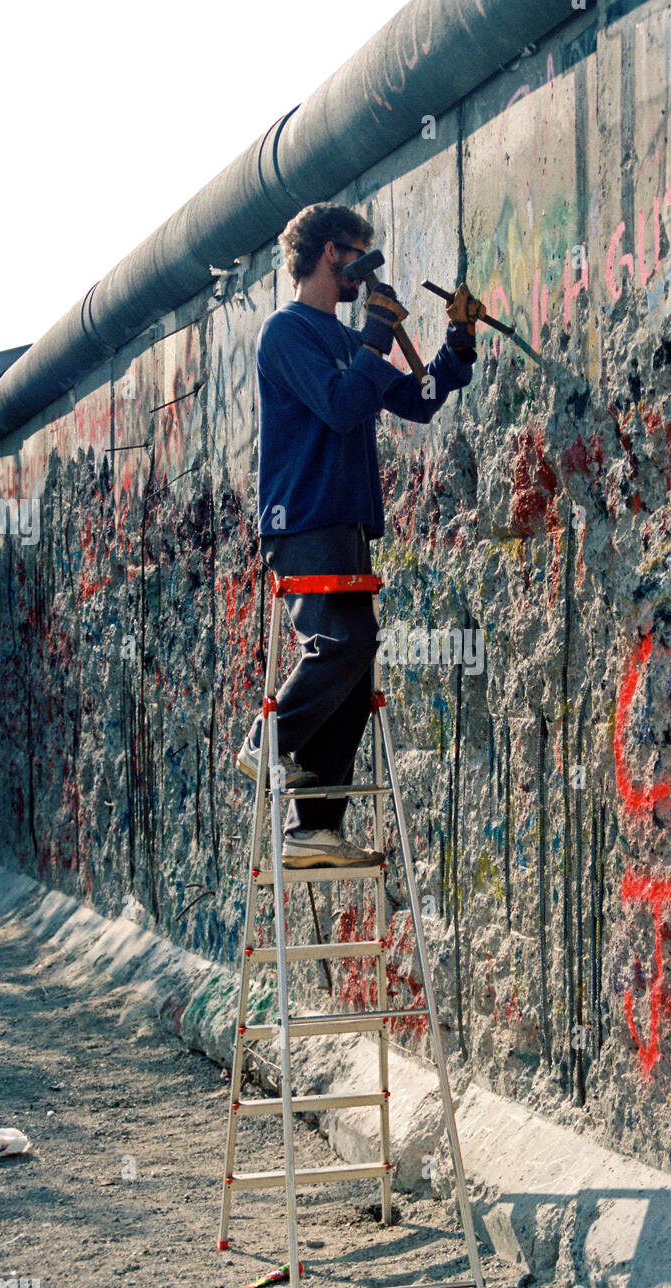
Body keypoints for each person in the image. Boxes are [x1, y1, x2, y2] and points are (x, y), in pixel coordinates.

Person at [236, 202, 484, 869]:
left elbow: (418, 402)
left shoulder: (348, 341)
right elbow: (345, 408)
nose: (363, 272)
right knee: (342, 641)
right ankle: (269, 738)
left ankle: (314, 824)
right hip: (305, 519)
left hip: (346, 521)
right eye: (357, 255)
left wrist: (456, 342)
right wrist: (374, 334)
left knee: (353, 668)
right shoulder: (285, 334)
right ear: (328, 254)